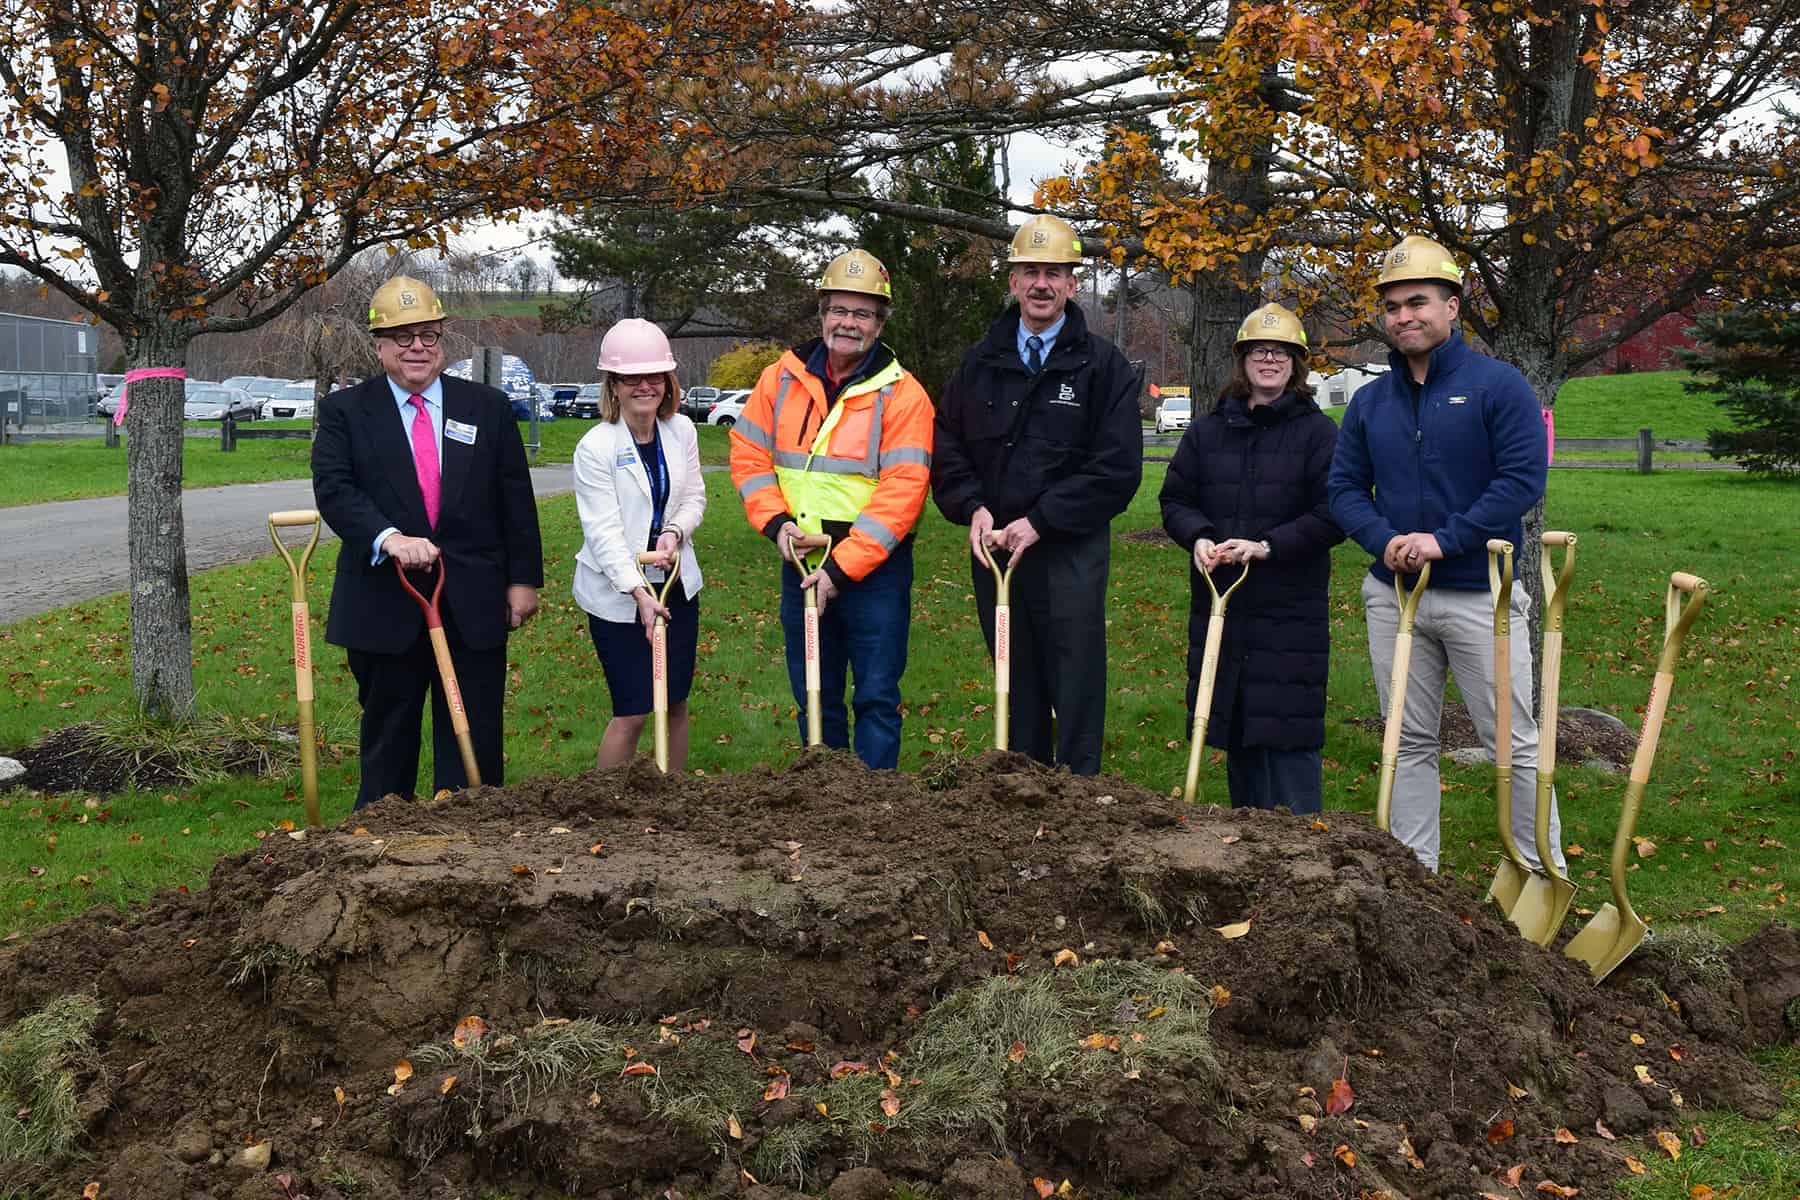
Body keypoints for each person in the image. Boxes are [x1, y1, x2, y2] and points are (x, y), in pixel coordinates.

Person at [1328, 234, 1559, 872]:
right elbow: (1344, 488)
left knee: (1512, 743)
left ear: (1452, 306)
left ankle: (1542, 873)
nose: (1404, 316)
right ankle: (1415, 878)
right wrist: (1385, 542)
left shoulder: (1497, 386)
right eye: (1393, 306)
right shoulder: (1372, 400)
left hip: (1480, 594)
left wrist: (1444, 538)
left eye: (1418, 302)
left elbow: (1521, 481)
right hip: (1395, 595)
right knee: (1406, 742)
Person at [313, 275, 542, 808]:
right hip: (383, 601)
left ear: (441, 341)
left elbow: (515, 500)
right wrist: (389, 537)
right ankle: (379, 841)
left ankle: (473, 843)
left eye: (428, 336)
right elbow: (335, 489)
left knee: (474, 734)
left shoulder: (486, 407)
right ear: (379, 345)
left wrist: (524, 580)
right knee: (388, 733)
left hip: (472, 598)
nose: (417, 347)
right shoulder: (347, 412)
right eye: (402, 337)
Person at [931, 214, 1142, 775]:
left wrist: (1042, 520)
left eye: (1054, 272)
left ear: (1074, 284)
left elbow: (1116, 469)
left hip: (1067, 551)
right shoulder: (981, 361)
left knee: (1074, 680)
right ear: (1012, 281)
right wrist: (972, 506)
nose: (1041, 284)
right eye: (1030, 272)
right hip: (996, 549)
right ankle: (1020, 800)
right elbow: (946, 443)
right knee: (1013, 675)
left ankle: (1076, 800)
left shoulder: (1102, 366)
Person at [728, 249, 934, 768]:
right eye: (839, 310)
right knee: (814, 697)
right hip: (799, 560)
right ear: (821, 314)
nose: (848, 323)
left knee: (876, 698)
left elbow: (903, 492)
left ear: (880, 323)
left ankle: (875, 810)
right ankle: (823, 806)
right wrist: (776, 525)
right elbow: (749, 456)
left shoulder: (903, 395)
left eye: (862, 313)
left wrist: (841, 568)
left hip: (873, 571)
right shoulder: (780, 378)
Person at [1160, 303, 1343, 812]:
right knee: (1238, 730)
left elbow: (1335, 513)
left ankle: (1303, 858)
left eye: (1280, 351)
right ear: (1242, 361)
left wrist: (1268, 547)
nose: (1269, 359)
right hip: (1222, 606)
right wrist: (1197, 537)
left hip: (1289, 613)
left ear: (1296, 364)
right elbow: (1175, 500)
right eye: (1259, 351)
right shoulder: (1208, 430)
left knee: (1288, 740)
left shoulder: (1319, 435)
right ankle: (1249, 855)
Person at [571, 319, 707, 771]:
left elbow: (694, 497)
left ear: (667, 381)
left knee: (675, 701)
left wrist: (675, 532)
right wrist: (638, 593)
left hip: (675, 583)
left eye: (654, 376)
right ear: (614, 385)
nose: (644, 386)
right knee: (632, 709)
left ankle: (675, 797)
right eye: (632, 378)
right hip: (617, 594)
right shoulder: (596, 447)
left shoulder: (681, 430)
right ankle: (605, 807)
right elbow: (604, 533)